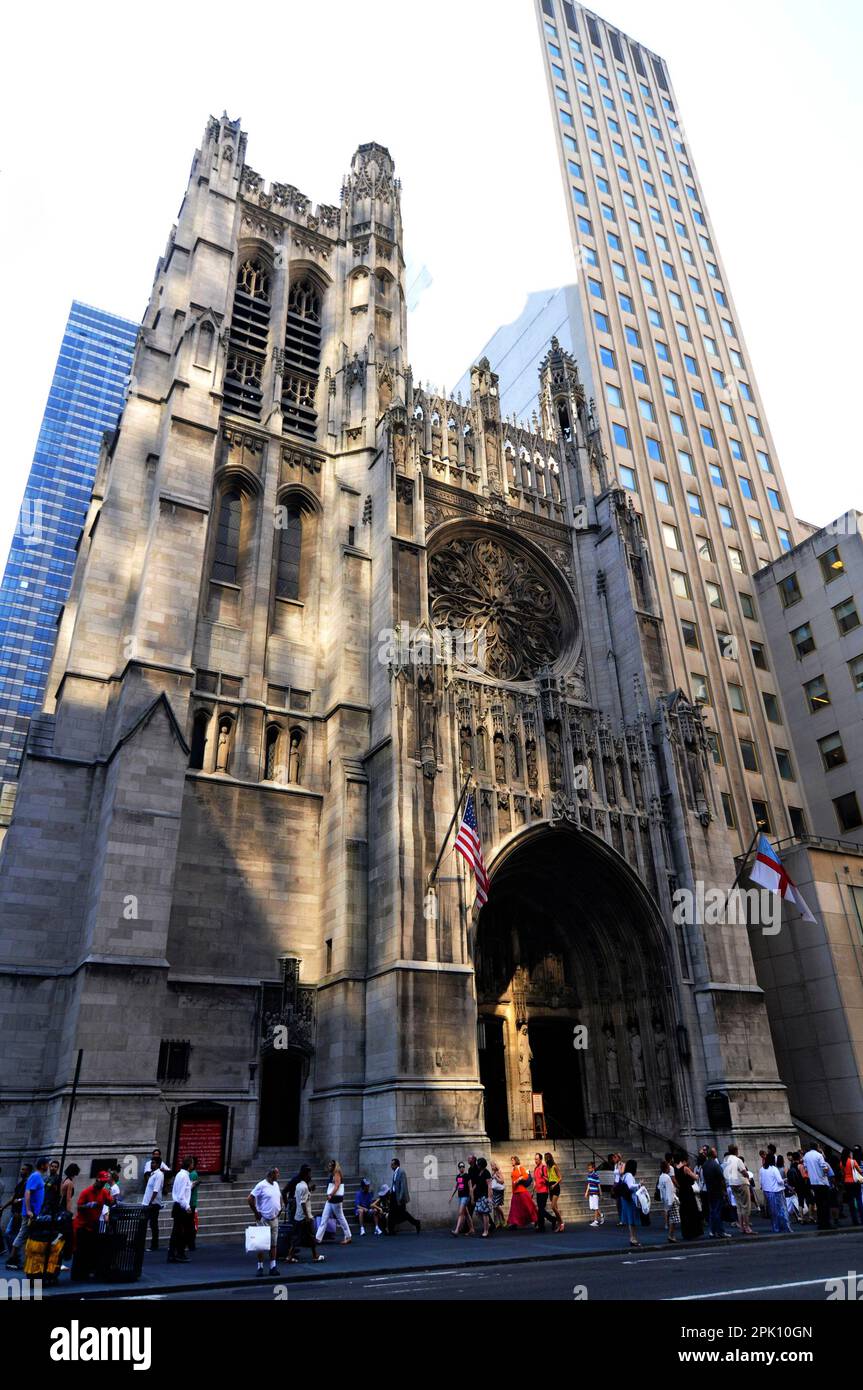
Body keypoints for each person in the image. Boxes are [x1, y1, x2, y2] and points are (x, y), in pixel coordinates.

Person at [6, 1155, 49, 1270]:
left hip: (34, 1212)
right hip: (31, 1213)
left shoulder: (38, 1176)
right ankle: (12, 1259)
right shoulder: (35, 1176)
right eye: (47, 1164)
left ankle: (23, 1259)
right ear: (42, 1165)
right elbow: (28, 1193)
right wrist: (29, 1210)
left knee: (27, 1235)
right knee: (22, 1234)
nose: (48, 1166)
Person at [71, 1172, 114, 1281]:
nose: (103, 1184)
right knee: (80, 1251)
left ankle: (87, 1272)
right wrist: (88, 1205)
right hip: (82, 1225)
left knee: (90, 1250)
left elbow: (110, 1201)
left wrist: (113, 1202)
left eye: (105, 1182)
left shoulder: (104, 1192)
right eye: (102, 1182)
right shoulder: (86, 1192)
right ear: (97, 1180)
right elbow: (79, 1206)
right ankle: (77, 1274)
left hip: (93, 1224)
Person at [248, 1165, 282, 1276]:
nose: (278, 1175)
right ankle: (260, 1267)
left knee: (274, 1244)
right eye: (277, 1173)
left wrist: (280, 1208)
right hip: (263, 1219)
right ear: (271, 1174)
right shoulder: (261, 1185)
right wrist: (256, 1213)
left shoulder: (276, 1184)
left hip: (274, 1218)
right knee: (261, 1244)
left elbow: (278, 1197)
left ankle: (273, 1266)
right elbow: (250, 1198)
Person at [290, 1165, 325, 1263]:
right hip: (305, 1217)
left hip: (298, 1216)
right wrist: (307, 1217)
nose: (311, 1176)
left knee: (297, 1238)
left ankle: (289, 1256)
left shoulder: (299, 1185)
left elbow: (301, 1197)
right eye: (309, 1174)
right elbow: (303, 1202)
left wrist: (310, 1190)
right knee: (311, 1236)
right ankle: (315, 1256)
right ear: (306, 1175)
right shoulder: (305, 1187)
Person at [316, 1159, 352, 1246]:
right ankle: (318, 1238)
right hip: (331, 1200)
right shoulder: (333, 1174)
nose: (328, 1167)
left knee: (340, 1218)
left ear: (333, 1166)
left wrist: (331, 1194)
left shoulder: (337, 1173)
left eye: (330, 1166)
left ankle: (348, 1236)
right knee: (324, 1218)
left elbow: (337, 1185)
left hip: (335, 1199)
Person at [168, 1156, 195, 1263]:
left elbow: (183, 1190)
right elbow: (181, 1195)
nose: (193, 1165)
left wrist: (191, 1185)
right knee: (180, 1232)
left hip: (178, 1206)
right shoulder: (184, 1176)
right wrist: (187, 1207)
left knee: (177, 1232)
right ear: (189, 1165)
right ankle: (178, 1254)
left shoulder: (180, 1175)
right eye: (192, 1163)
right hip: (181, 1207)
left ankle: (174, 1254)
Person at [723, 1145, 754, 1236]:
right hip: (741, 1183)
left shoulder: (727, 1161)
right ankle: (747, 1227)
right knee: (746, 1206)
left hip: (732, 1183)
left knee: (739, 1206)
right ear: (736, 1151)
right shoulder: (738, 1160)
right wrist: (748, 1176)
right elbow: (744, 1172)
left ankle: (741, 1226)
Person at [1, 1164, 32, 1254]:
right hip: (16, 1212)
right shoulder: (21, 1183)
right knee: (13, 1234)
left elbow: (27, 1197)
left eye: (23, 1169)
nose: (21, 1171)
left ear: (28, 1171)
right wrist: (4, 1207)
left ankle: (14, 1254)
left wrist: (19, 1201)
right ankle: (13, 1254)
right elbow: (13, 1197)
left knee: (11, 1234)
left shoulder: (27, 1183)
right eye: (21, 1169)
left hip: (19, 1212)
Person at [700, 1146, 731, 1240]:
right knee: (717, 1212)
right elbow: (722, 1179)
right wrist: (724, 1191)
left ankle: (712, 1231)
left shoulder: (705, 1165)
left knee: (713, 1211)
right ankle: (720, 1231)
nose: (716, 1152)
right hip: (717, 1190)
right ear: (713, 1154)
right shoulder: (715, 1165)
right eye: (715, 1151)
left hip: (710, 1190)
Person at [803, 1143, 833, 1231]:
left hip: (813, 1182)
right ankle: (826, 1223)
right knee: (825, 1204)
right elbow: (824, 1167)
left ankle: (820, 1223)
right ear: (817, 1147)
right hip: (822, 1182)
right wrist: (827, 1171)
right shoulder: (819, 1155)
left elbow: (805, 1169)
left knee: (819, 1204)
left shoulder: (806, 1156)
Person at [673, 1153, 703, 1241]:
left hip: (682, 1192)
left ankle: (686, 1232)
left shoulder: (676, 1169)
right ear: (684, 1160)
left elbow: (675, 1181)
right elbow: (695, 1177)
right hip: (688, 1191)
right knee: (692, 1211)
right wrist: (697, 1174)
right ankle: (694, 1232)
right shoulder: (685, 1168)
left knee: (684, 1213)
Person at [387, 1157, 421, 1234]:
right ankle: (391, 1230)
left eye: (392, 1165)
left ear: (396, 1165)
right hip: (393, 1195)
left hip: (398, 1197)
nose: (391, 1166)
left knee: (403, 1214)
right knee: (392, 1213)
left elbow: (403, 1186)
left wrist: (399, 1198)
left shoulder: (401, 1172)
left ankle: (416, 1223)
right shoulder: (395, 1172)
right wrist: (391, 1192)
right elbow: (394, 1185)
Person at [760, 1154, 791, 1233]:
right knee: (782, 1210)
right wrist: (786, 1179)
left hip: (767, 1191)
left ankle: (776, 1227)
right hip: (777, 1191)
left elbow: (761, 1182)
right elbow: (780, 1181)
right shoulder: (774, 1169)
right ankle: (785, 1227)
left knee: (773, 1211)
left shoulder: (762, 1169)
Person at [618, 1159, 643, 1250]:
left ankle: (633, 1238)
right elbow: (630, 1186)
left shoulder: (625, 1175)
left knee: (630, 1219)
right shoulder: (629, 1175)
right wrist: (639, 1184)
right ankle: (633, 1238)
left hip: (625, 1199)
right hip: (629, 1199)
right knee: (631, 1219)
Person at [507, 1156, 538, 1229]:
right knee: (514, 1208)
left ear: (516, 1161)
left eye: (512, 1160)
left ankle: (536, 1219)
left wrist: (519, 1179)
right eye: (511, 1160)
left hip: (522, 1191)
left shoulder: (520, 1167)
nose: (512, 1162)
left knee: (529, 1207)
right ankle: (514, 1223)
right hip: (515, 1192)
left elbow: (525, 1175)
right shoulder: (513, 1169)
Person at [532, 1152, 560, 1233]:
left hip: (544, 1191)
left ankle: (552, 1219)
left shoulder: (543, 1168)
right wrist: (533, 1191)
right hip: (538, 1191)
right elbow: (535, 1181)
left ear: (541, 1159)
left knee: (540, 1209)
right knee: (540, 1209)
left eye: (537, 1159)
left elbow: (549, 1180)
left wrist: (543, 1177)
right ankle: (542, 1226)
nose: (535, 1160)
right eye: (535, 1159)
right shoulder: (535, 1168)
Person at [141, 1160, 165, 1251]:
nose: (152, 1164)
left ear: (158, 1165)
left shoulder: (159, 1174)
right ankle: (141, 1243)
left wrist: (151, 1201)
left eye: (154, 1163)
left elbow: (156, 1189)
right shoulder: (152, 1174)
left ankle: (154, 1245)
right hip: (147, 1202)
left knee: (153, 1224)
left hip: (153, 1204)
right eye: (151, 1163)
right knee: (145, 1223)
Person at [658, 1161, 681, 1243]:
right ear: (666, 1168)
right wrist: (671, 1202)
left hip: (666, 1199)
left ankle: (671, 1235)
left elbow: (661, 1189)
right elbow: (670, 1190)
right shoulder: (667, 1178)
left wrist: (664, 1199)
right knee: (674, 1218)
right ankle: (671, 1235)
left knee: (672, 1218)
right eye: (668, 1167)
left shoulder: (661, 1177)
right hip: (671, 1199)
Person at [840, 1148, 863, 1227]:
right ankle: (862, 1219)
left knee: (851, 1202)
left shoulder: (842, 1163)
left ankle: (855, 1220)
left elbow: (843, 1173)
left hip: (847, 1183)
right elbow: (860, 1171)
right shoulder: (853, 1161)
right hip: (855, 1182)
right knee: (859, 1200)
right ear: (849, 1154)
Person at [450, 1162, 473, 1236]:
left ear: (464, 1167)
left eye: (463, 1166)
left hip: (466, 1197)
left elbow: (470, 1187)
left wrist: (472, 1198)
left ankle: (457, 1230)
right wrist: (451, 1196)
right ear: (458, 1168)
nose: (461, 1168)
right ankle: (472, 1229)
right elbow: (456, 1187)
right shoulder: (458, 1177)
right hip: (460, 1196)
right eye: (460, 1167)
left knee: (460, 1213)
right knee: (466, 1214)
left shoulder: (467, 1176)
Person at [472, 1157, 493, 1238]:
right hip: (479, 1196)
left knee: (485, 1214)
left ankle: (486, 1231)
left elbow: (489, 1186)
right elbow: (477, 1183)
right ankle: (487, 1224)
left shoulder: (486, 1173)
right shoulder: (479, 1172)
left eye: (478, 1164)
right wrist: (472, 1191)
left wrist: (489, 1197)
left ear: (481, 1165)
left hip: (484, 1196)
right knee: (478, 1212)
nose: (477, 1165)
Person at [545, 1152, 564, 1232]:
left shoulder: (554, 1166)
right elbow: (549, 1178)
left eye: (548, 1158)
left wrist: (554, 1185)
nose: (547, 1159)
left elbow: (560, 1178)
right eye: (546, 1158)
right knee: (555, 1207)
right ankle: (559, 1224)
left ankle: (562, 1223)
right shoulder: (547, 1168)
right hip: (550, 1187)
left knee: (553, 1206)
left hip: (555, 1187)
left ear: (551, 1158)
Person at [584, 1162, 604, 1228]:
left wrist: (601, 1194)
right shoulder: (589, 1175)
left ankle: (595, 1221)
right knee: (592, 1207)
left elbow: (598, 1184)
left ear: (593, 1168)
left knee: (595, 1207)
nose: (588, 1169)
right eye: (588, 1168)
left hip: (595, 1193)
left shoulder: (595, 1175)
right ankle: (601, 1215)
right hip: (591, 1193)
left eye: (590, 1168)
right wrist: (586, 1192)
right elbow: (589, 1184)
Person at [490, 1162, 507, 1230]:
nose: (492, 1167)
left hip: (499, 1191)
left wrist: (496, 1178)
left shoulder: (498, 1172)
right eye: (491, 1165)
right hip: (494, 1191)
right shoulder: (492, 1173)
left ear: (496, 1166)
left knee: (496, 1206)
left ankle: (503, 1219)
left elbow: (502, 1181)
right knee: (495, 1207)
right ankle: (499, 1222)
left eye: (493, 1165)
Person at [188, 1158, 200, 1250]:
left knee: (190, 1224)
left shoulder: (192, 1174)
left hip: (191, 1201)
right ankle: (191, 1244)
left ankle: (190, 1244)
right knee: (191, 1224)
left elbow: (189, 1188)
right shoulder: (192, 1174)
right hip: (191, 1201)